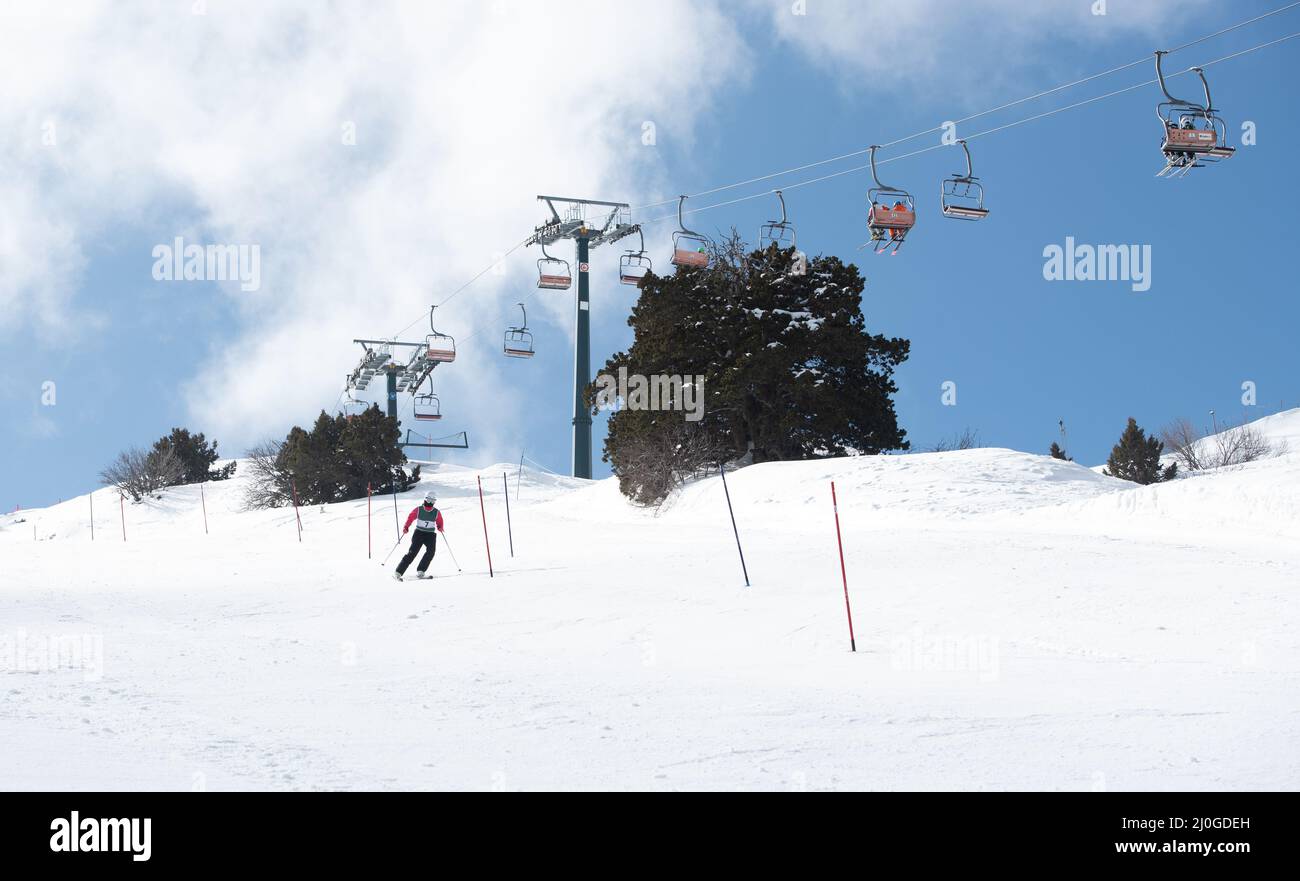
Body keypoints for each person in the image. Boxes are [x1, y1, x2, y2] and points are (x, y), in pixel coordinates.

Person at [394, 491, 445, 580]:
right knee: (412, 552)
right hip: (419, 533)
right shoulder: (419, 510)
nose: (430, 503)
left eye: (432, 501)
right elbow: (410, 517)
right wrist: (406, 527)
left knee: (431, 552)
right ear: (425, 499)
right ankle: (398, 571)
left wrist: (440, 526)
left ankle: (421, 570)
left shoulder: (436, 512)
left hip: (430, 535)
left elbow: (440, 520)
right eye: (429, 500)